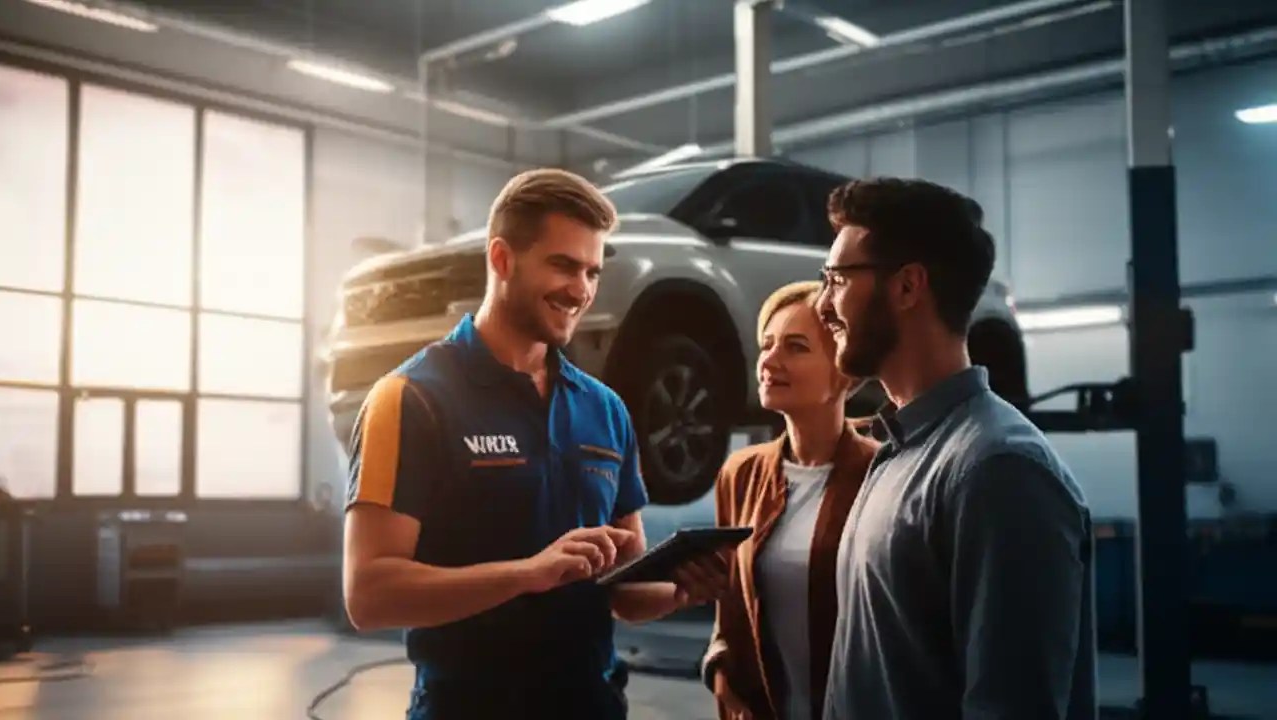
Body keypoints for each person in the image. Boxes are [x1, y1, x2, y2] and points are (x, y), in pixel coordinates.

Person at [342, 169, 728, 720]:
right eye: (564, 266)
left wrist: (684, 589)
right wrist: (529, 573)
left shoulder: (606, 410)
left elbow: (624, 592)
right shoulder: (409, 399)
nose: (582, 290)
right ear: (502, 259)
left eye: (592, 272)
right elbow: (369, 595)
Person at [815, 178, 1096, 720]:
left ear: (907, 286)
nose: (823, 304)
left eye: (837, 280)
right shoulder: (898, 451)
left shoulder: (998, 469)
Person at [701, 281, 880, 720]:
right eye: (767, 345)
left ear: (844, 372)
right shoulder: (741, 473)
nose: (770, 361)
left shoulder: (883, 473)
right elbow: (731, 602)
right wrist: (719, 664)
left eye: (795, 347)